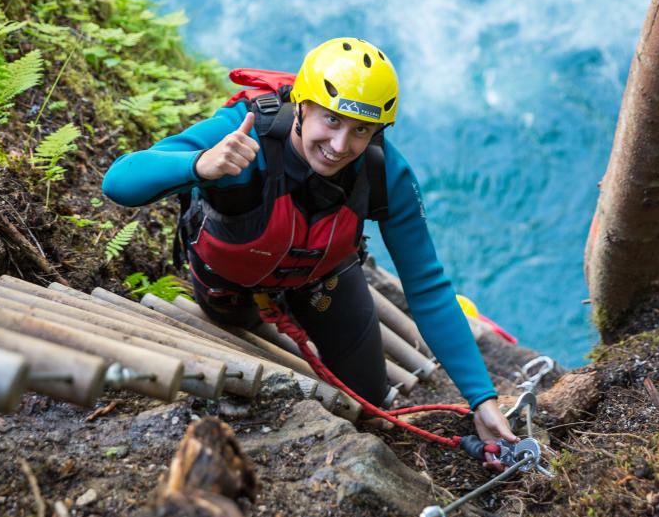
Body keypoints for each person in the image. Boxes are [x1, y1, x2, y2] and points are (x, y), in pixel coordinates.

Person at [102, 37, 517, 468]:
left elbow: (428, 287)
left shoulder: (385, 172)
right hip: (232, 286)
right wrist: (200, 165)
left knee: (368, 397)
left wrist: (482, 400)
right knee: (244, 364)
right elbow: (119, 181)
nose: (341, 145)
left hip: (321, 277)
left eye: (361, 129)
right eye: (332, 120)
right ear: (301, 105)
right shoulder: (243, 133)